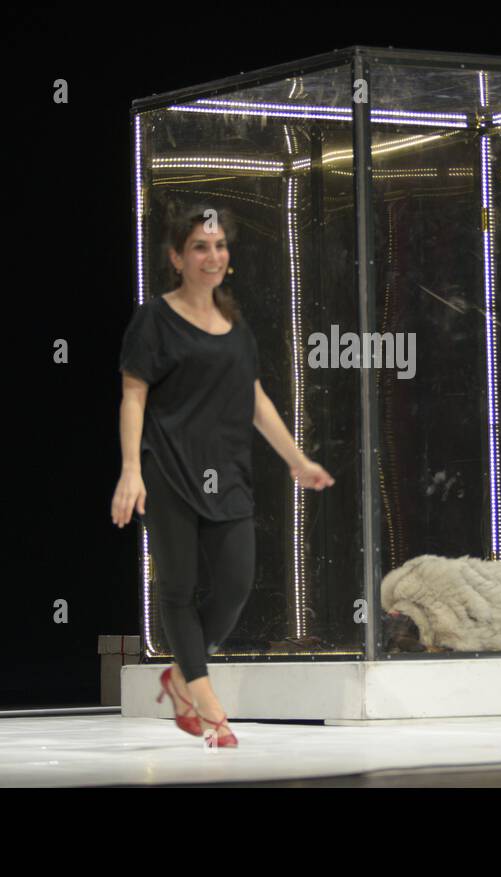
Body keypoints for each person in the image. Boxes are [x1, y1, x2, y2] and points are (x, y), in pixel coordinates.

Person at [110, 204, 334, 748]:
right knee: (179, 589)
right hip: (169, 470)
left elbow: (254, 399)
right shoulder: (154, 320)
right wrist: (131, 470)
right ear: (176, 258)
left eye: (219, 246)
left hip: (228, 473)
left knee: (234, 586)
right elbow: (133, 395)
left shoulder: (236, 326)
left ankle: (181, 675)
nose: (212, 256)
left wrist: (296, 459)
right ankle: (211, 712)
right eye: (199, 247)